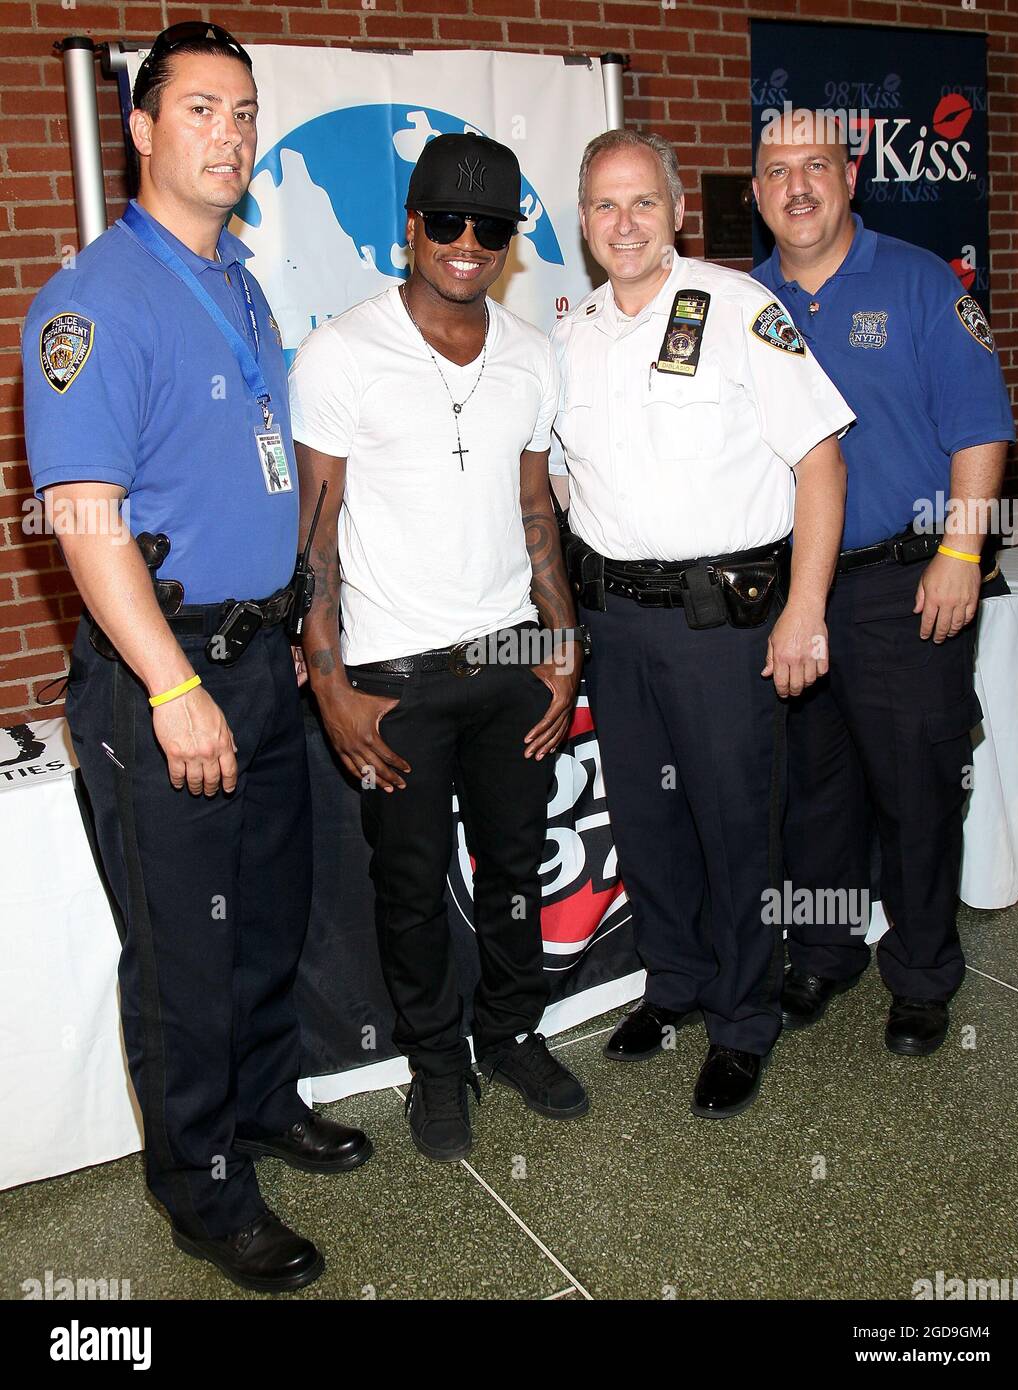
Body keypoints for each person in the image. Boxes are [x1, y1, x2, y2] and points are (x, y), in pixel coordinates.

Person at [22, 22, 370, 1295]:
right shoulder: (93, 305)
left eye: (243, 112)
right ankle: (203, 1186)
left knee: (264, 918)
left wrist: (274, 638)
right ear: (141, 127)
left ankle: (267, 1103)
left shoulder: (239, 279)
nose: (229, 134)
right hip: (159, 678)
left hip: (255, 661)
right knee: (181, 950)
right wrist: (174, 688)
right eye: (201, 110)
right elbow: (82, 513)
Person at [289, 133, 589, 1163]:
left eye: (491, 226)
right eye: (447, 222)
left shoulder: (530, 356)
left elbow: (534, 508)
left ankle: (510, 1032)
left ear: (509, 241)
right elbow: (315, 541)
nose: (468, 243)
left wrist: (562, 642)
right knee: (409, 885)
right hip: (393, 674)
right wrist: (328, 685)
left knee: (513, 864)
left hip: (511, 659)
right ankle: (432, 1061)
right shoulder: (339, 354)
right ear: (409, 228)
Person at [552, 130, 855, 1118]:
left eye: (641, 202)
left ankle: (740, 1020)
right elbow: (560, 478)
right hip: (614, 621)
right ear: (582, 222)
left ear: (675, 210)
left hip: (720, 624)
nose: (623, 223)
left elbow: (819, 463)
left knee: (734, 828)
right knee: (646, 820)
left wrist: (804, 609)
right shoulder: (570, 334)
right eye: (603, 206)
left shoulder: (740, 310)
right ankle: (672, 983)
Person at [752, 112, 1014, 1056]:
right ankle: (826, 951)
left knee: (915, 785)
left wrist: (959, 554)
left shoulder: (917, 281)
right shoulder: (749, 301)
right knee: (816, 792)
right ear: (756, 191)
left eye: (816, 165)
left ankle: (922, 971)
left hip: (910, 585)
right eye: (777, 171)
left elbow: (981, 427)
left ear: (850, 176)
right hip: (797, 593)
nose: (798, 187)